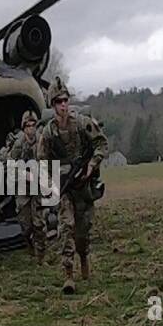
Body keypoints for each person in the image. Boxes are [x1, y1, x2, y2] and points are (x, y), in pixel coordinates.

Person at [36, 79, 107, 292]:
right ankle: (68, 274)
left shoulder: (82, 123)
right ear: (53, 105)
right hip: (64, 188)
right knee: (66, 227)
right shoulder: (49, 133)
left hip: (83, 187)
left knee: (83, 231)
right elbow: (41, 160)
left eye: (65, 100)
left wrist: (91, 165)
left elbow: (101, 144)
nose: (63, 105)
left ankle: (83, 257)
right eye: (58, 102)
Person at [8, 110, 46, 263]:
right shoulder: (18, 144)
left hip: (37, 186)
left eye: (33, 125)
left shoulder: (42, 141)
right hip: (23, 188)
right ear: (24, 128)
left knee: (39, 223)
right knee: (26, 225)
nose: (31, 129)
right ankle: (29, 244)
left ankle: (41, 256)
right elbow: (10, 165)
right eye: (28, 126)